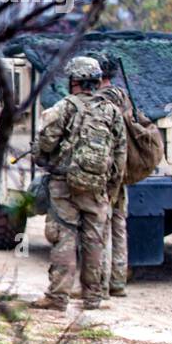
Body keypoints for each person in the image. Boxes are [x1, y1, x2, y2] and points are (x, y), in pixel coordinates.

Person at [30, 56, 127, 312]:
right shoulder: (111, 111)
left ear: (73, 80)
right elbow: (120, 155)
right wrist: (111, 190)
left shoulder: (63, 107)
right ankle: (93, 297)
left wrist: (39, 154)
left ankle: (58, 297)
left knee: (65, 237)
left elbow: (45, 145)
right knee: (94, 240)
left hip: (64, 186)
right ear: (96, 81)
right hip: (97, 188)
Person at [96, 53, 133, 298]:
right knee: (119, 225)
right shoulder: (124, 96)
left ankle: (100, 283)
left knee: (101, 226)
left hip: (105, 171)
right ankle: (118, 281)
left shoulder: (101, 101)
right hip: (122, 170)